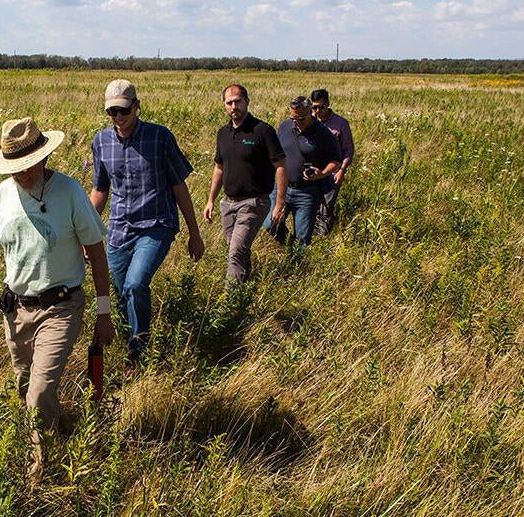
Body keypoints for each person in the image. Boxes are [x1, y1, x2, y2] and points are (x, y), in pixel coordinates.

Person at [0, 117, 115, 483]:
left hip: (61, 306)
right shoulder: (2, 196)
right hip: (17, 310)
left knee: (39, 393)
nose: (19, 173)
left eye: (25, 165)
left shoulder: (70, 192)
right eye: (13, 167)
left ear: (42, 158)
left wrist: (104, 313)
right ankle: (63, 438)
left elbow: (97, 252)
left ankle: (39, 470)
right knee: (25, 387)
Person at [90, 79, 205, 370]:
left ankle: (137, 352)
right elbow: (100, 190)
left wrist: (194, 233)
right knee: (119, 293)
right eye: (111, 112)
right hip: (118, 229)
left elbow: (179, 185)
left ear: (137, 106)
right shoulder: (101, 141)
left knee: (136, 284)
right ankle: (130, 338)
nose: (118, 117)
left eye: (123, 111)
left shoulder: (160, 137)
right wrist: (85, 233)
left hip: (156, 223)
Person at [202, 84, 286, 283]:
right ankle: (246, 289)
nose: (234, 106)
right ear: (224, 105)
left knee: (236, 251)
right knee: (236, 250)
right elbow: (219, 168)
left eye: (238, 101)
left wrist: (280, 203)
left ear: (247, 102)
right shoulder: (223, 133)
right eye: (229, 103)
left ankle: (230, 303)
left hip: (254, 202)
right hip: (228, 203)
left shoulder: (262, 131)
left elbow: (281, 166)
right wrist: (211, 200)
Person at [264, 95, 341, 252]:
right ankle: (292, 247)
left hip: (307, 192)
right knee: (270, 224)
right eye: (293, 117)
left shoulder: (323, 133)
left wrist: (323, 173)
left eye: (300, 118)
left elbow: (336, 161)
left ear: (310, 112)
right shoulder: (285, 127)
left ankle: (297, 265)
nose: (296, 122)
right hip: (280, 188)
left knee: (303, 238)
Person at [310, 89, 354, 236]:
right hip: (313, 171)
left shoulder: (341, 124)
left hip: (332, 173)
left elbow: (348, 149)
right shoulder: (308, 122)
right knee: (311, 204)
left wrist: (342, 170)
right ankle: (311, 235)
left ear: (328, 104)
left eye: (321, 107)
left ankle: (322, 237)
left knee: (327, 206)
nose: (317, 111)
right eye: (314, 107)